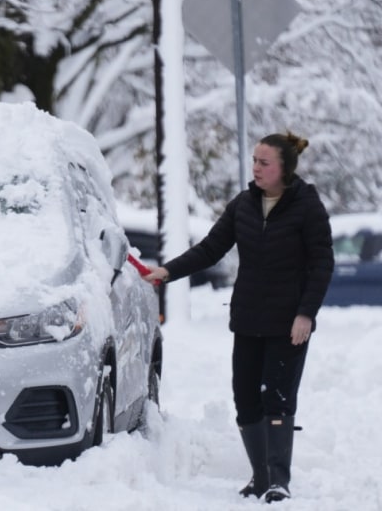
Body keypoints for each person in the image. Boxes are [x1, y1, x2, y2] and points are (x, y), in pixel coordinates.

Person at [143, 131, 333, 503]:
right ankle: (260, 478)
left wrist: (306, 314)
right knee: (245, 399)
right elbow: (210, 249)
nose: (256, 168)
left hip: (288, 323)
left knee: (277, 398)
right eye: (255, 161)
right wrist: (167, 272)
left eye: (264, 162)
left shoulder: (307, 207)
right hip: (248, 319)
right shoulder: (244, 205)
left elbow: (322, 264)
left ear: (284, 168)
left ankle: (278, 480)